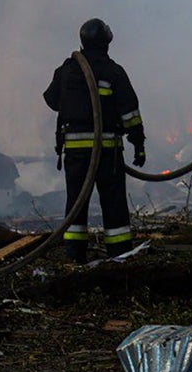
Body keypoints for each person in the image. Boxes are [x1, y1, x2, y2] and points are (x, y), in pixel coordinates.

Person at [43, 18, 146, 263]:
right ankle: (120, 254)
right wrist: (138, 144)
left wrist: (74, 105)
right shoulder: (113, 71)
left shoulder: (67, 70)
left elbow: (51, 100)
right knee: (113, 203)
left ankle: (74, 254)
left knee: (76, 203)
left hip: (76, 152)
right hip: (107, 152)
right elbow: (130, 112)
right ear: (106, 43)